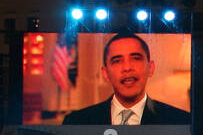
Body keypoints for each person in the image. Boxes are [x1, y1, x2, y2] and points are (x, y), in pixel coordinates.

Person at [62, 32, 190, 125]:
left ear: (150, 68)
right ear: (105, 73)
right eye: (117, 61)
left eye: (135, 58)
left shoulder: (180, 121)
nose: (127, 68)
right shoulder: (77, 122)